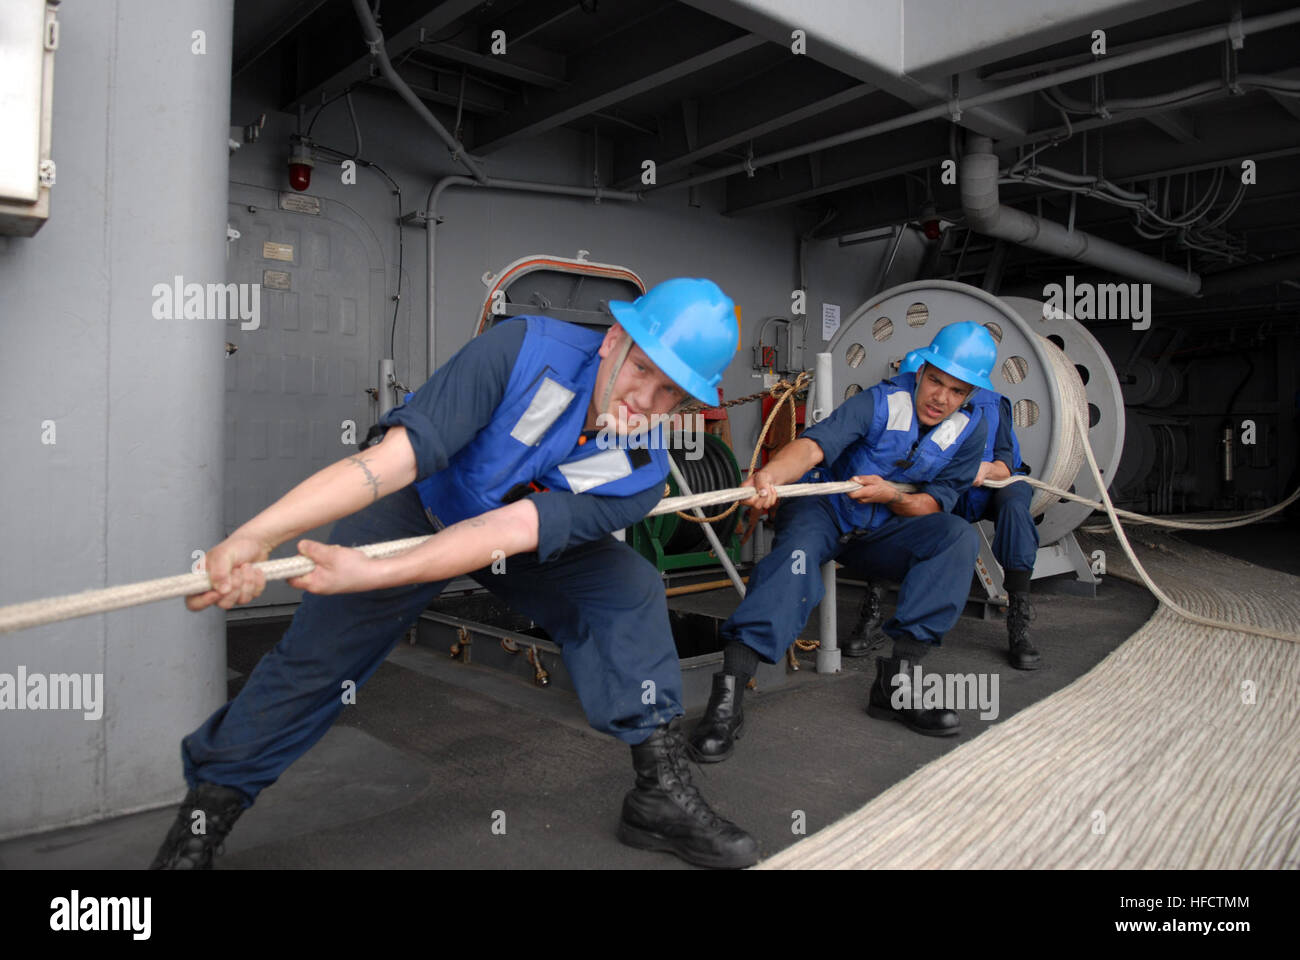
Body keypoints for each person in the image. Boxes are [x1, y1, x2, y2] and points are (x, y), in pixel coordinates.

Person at [150, 277, 759, 870]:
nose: (644, 402)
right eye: (640, 369)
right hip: (419, 501)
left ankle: (658, 793)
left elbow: (507, 534)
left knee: (629, 587)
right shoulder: (522, 350)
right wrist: (257, 536)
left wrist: (372, 572)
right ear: (612, 342)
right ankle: (202, 821)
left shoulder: (639, 470)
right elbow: (389, 463)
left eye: (670, 391)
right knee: (315, 661)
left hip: (507, 531)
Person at [689, 322, 996, 753]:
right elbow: (814, 447)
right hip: (824, 512)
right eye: (935, 381)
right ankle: (728, 696)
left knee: (956, 538)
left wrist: (892, 496)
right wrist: (770, 476)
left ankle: (897, 685)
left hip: (882, 531)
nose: (941, 397)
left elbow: (935, 502)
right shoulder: (877, 402)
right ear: (921, 369)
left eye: (957, 390)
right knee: (793, 560)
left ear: (970, 396)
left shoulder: (971, 430)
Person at [855, 351, 1041, 669]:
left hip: (989, 488)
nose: (938, 400)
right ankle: (872, 614)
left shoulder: (995, 406)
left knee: (1015, 506)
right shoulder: (901, 406)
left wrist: (981, 469)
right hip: (944, 490)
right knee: (892, 507)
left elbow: (1006, 465)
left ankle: (1019, 621)